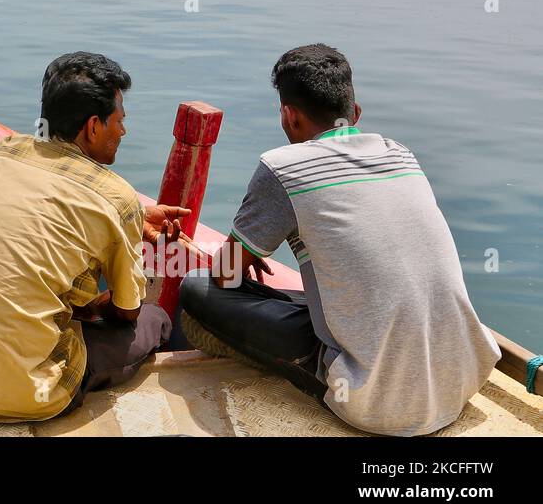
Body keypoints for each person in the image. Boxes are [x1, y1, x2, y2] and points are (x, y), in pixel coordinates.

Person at [180, 43, 500, 436]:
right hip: (463, 378)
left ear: (288, 116)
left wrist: (236, 261)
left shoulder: (282, 167)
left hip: (378, 404)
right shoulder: (400, 154)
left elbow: (225, 275)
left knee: (196, 286)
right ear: (356, 114)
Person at [0, 52, 188, 421]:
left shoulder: (0, 154)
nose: (123, 131)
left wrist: (134, 218)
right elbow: (126, 311)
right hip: (26, 392)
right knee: (154, 319)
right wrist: (97, 304)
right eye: (119, 121)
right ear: (92, 126)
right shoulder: (116, 196)